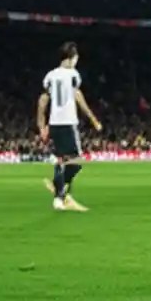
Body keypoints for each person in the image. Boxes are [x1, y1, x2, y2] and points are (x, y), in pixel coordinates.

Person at [37, 41, 102, 212]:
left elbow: (43, 101)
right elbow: (78, 96)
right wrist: (93, 119)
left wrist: (41, 125)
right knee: (76, 161)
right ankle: (59, 190)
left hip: (54, 122)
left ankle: (61, 197)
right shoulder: (73, 75)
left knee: (61, 159)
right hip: (68, 121)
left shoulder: (50, 75)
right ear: (71, 58)